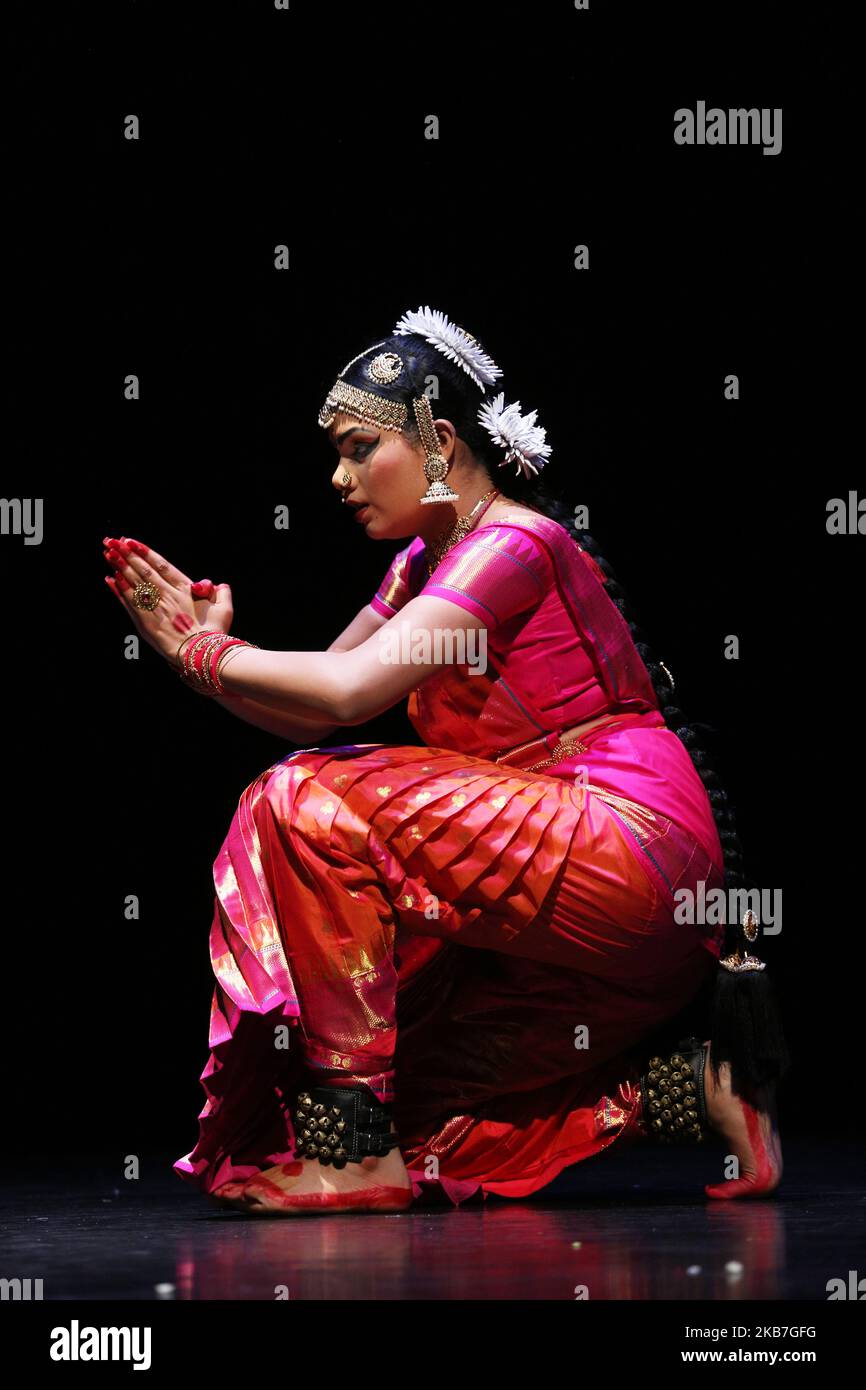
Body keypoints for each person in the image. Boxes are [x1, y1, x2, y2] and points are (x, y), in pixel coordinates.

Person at [103, 305, 788, 1216]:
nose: (338, 476)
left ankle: (355, 1164)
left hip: (628, 841)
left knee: (300, 804)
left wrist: (205, 659)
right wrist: (211, 661)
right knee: (402, 1093)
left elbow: (348, 698)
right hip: (575, 906)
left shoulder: (512, 544)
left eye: (357, 448)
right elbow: (321, 700)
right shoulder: (425, 563)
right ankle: (688, 1091)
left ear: (438, 440)